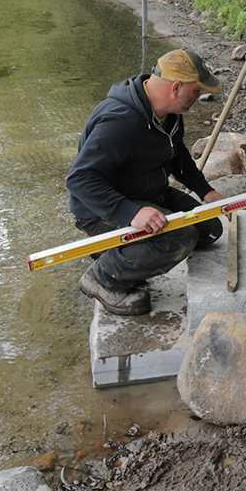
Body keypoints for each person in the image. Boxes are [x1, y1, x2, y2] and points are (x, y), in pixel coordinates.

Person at [66, 48, 226, 316]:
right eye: (196, 92)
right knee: (179, 239)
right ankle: (103, 277)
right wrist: (131, 213)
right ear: (176, 87)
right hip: (103, 209)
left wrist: (206, 191)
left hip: (149, 192)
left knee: (209, 227)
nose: (197, 99)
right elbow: (79, 179)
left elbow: (178, 156)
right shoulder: (120, 121)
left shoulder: (169, 114)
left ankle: (123, 251)